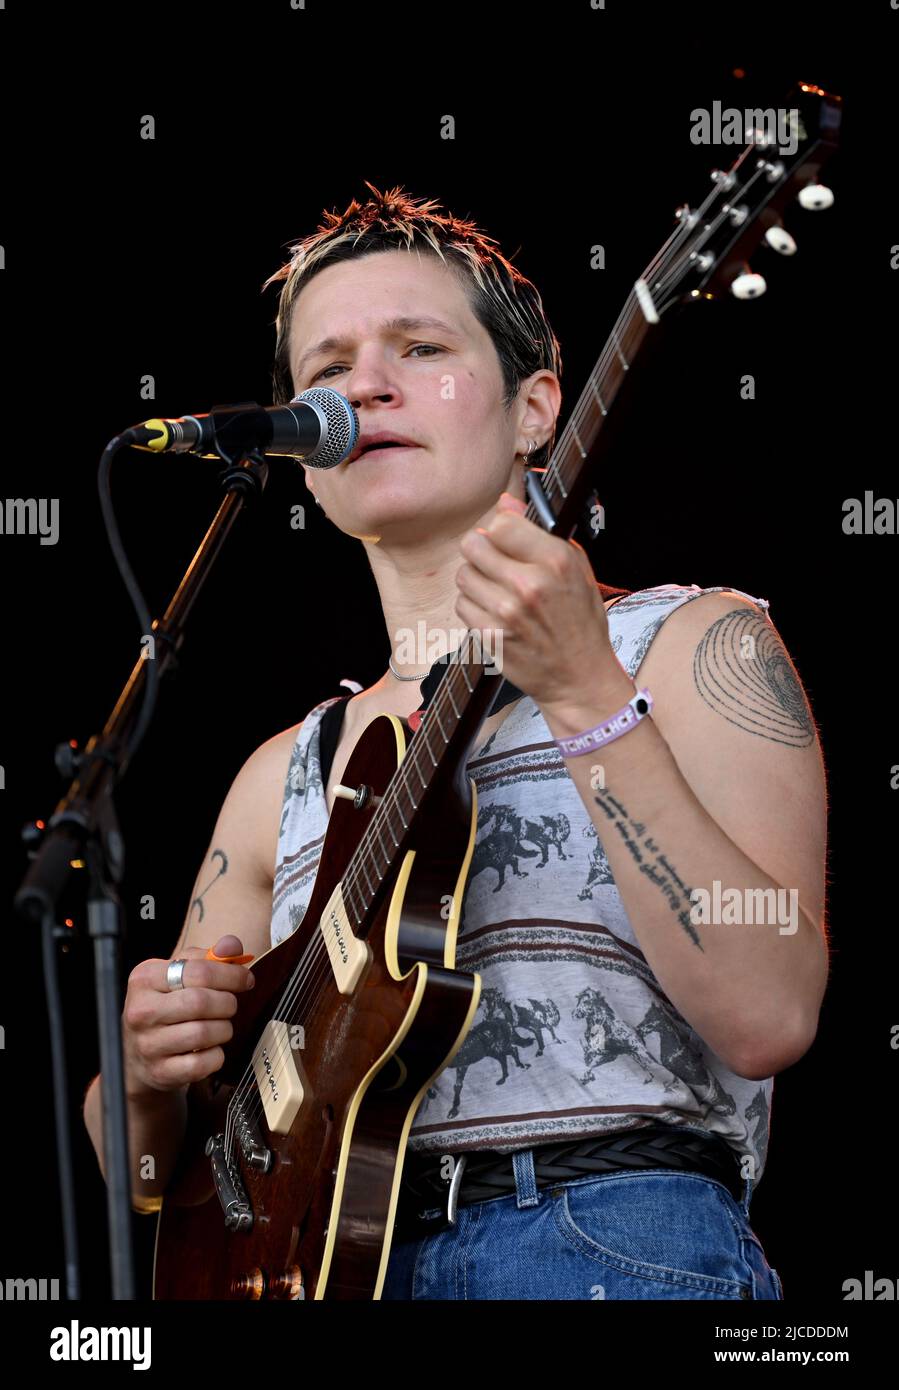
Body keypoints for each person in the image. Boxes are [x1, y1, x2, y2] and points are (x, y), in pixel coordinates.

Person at [84, 183, 829, 1301]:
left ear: (537, 408)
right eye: (325, 367)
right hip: (324, 1272)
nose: (364, 384)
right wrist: (145, 1076)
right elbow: (134, 1171)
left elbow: (768, 1012)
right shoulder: (280, 771)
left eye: (419, 345)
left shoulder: (690, 641)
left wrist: (584, 691)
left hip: (602, 1239)